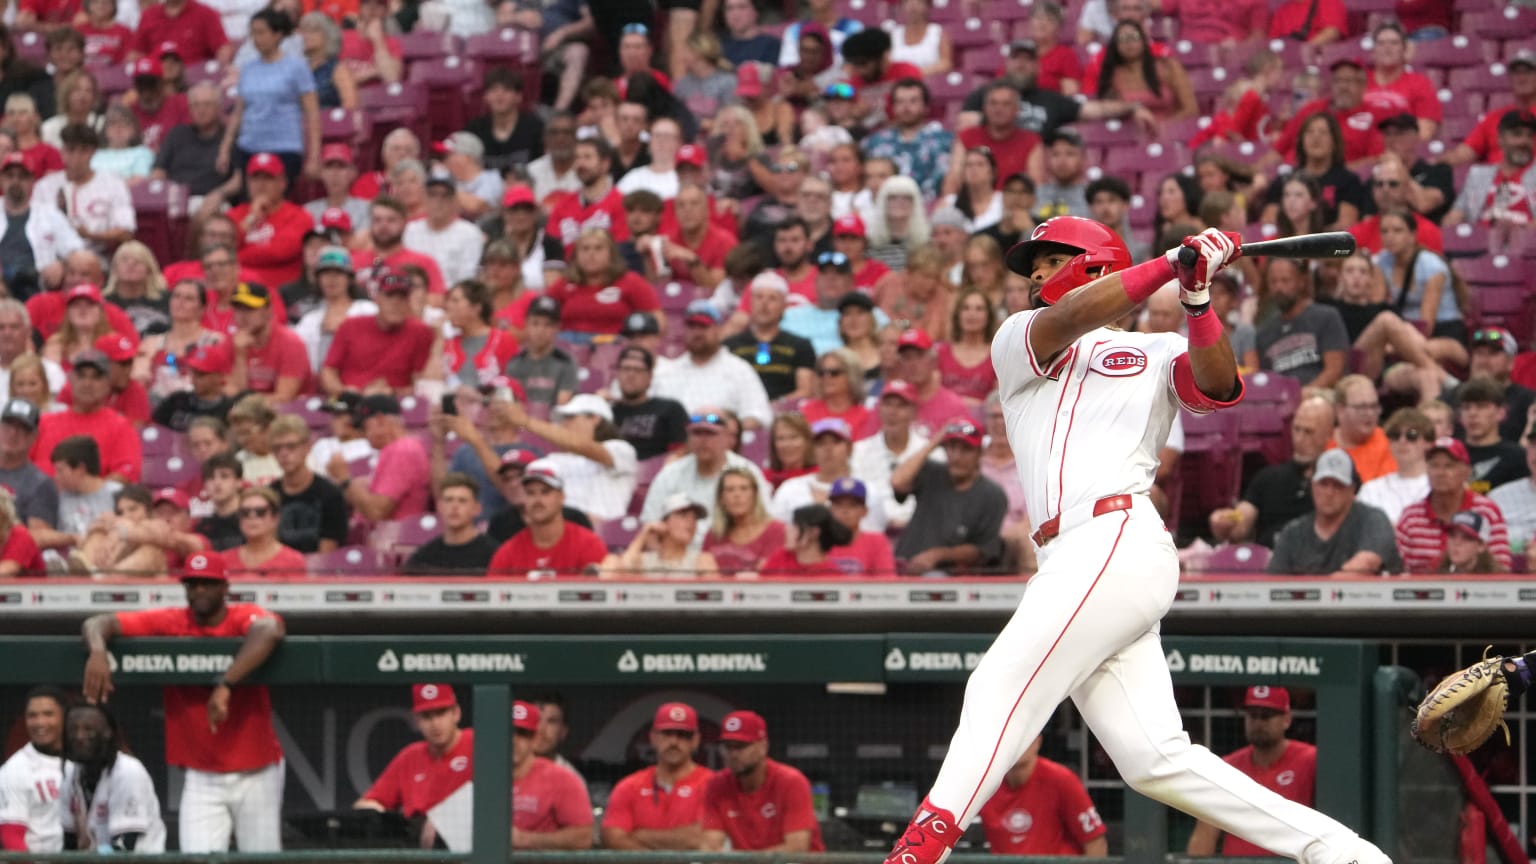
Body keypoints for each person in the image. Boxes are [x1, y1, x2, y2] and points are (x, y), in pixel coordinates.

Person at [882, 217, 1389, 864]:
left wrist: (1197, 301)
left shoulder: (1154, 349)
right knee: (1154, 760)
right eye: (1032, 268)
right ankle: (1344, 853)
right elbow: (1074, 316)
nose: (1036, 277)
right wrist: (1168, 265)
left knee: (998, 683)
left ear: (1094, 263)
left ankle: (920, 849)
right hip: (1068, 557)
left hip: (1115, 535)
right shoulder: (1018, 339)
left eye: (1049, 262)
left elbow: (1215, 385)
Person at [81, 552, 286, 853]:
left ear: (225, 588)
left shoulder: (241, 616)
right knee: (196, 857)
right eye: (193, 584)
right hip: (201, 774)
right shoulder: (171, 620)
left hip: (256, 771)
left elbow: (270, 629)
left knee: (262, 859)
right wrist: (97, 651)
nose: (199, 591)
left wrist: (225, 683)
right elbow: (99, 622)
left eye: (208, 583)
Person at [1186, 686, 1318, 857]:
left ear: (1286, 719)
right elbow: (1205, 833)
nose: (1258, 723)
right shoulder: (1228, 766)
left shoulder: (1310, 759)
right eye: (1252, 715)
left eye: (1266, 716)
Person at [890, 420, 1007, 574]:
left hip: (950, 576)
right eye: (951, 447)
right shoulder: (931, 472)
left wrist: (938, 555)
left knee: (934, 578)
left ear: (980, 452)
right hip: (901, 565)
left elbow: (982, 549)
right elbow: (897, 481)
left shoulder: (992, 495)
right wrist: (934, 442)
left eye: (965, 449)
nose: (956, 457)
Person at [220, 10, 320, 190]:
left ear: (277, 34)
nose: (257, 38)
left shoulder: (297, 67)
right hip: (249, 146)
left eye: (261, 32)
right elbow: (239, 112)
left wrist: (314, 155)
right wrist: (225, 148)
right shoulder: (248, 68)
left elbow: (312, 113)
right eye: (253, 33)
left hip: (284, 147)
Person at [701, 710, 824, 851]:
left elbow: (796, 849)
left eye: (741, 746)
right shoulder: (716, 785)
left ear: (763, 747)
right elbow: (711, 845)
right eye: (728, 747)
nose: (733, 754)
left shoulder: (791, 781)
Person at [1266, 448, 1402, 575]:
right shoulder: (1293, 533)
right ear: (1312, 485)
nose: (1329, 492)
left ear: (1352, 489)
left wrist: (1319, 593)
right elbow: (1273, 584)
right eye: (1323, 484)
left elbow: (1367, 563)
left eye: (1338, 485)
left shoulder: (1373, 519)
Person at [355, 683, 475, 827]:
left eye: (441, 713)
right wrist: (376, 813)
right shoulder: (410, 756)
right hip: (418, 840)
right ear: (417, 721)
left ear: (456, 713)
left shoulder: (477, 743)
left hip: (467, 835)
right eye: (427, 716)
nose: (435, 723)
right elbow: (367, 803)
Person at [641, 411, 771, 538]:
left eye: (710, 433)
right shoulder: (670, 474)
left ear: (727, 437)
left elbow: (765, 521)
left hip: (731, 552)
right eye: (697, 433)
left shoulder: (747, 471)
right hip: (680, 554)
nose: (703, 440)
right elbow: (650, 527)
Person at [602, 701, 711, 850]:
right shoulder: (629, 786)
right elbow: (612, 839)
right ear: (653, 737)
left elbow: (701, 838)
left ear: (695, 740)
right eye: (667, 733)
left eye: (682, 735)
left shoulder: (713, 785)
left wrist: (639, 834)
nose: (673, 741)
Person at [59, 702, 167, 852]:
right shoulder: (71, 773)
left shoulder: (128, 771)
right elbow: (69, 842)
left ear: (107, 732)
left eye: (88, 729)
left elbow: (124, 848)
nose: (79, 736)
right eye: (73, 729)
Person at [977, 734, 1108, 856]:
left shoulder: (1062, 779)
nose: (1019, 744)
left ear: (1038, 741)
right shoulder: (984, 784)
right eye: (1012, 738)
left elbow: (1095, 842)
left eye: (1025, 737)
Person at [1396, 437, 1514, 573]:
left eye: (1449, 466)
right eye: (1434, 465)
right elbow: (1400, 572)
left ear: (1467, 473)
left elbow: (1502, 570)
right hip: (1424, 591)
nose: (1440, 473)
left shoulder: (1487, 511)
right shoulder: (1411, 517)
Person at [653, 301, 773, 429]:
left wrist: (727, 431)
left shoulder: (739, 370)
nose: (697, 333)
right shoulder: (667, 371)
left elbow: (759, 415)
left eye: (703, 327)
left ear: (718, 329)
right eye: (692, 327)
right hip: (676, 442)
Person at [31, 350, 140, 482]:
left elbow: (126, 473)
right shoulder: (44, 422)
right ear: (71, 380)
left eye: (96, 377)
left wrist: (89, 493)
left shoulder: (120, 426)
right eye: (81, 376)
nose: (87, 384)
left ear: (107, 384)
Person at [319, 269, 434, 396]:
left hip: (397, 405)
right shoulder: (351, 326)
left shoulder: (420, 332)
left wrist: (392, 392)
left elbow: (423, 384)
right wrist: (344, 392)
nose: (396, 303)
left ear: (409, 301)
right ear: (377, 298)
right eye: (390, 296)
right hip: (350, 401)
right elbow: (328, 370)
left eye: (402, 297)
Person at [487, 460, 608, 576]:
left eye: (545, 492)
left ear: (561, 497)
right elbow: (493, 593)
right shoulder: (508, 552)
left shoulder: (588, 544)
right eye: (530, 493)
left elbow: (601, 593)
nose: (537, 500)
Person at [324, 394, 430, 524]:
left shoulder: (401, 450)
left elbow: (377, 512)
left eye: (365, 427)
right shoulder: (405, 446)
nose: (363, 434)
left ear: (380, 421)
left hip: (392, 537)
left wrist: (345, 480)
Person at [33, 124, 134, 258]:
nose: (76, 157)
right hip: (55, 257)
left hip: (98, 254)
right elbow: (34, 229)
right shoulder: (44, 186)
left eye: (83, 150)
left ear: (93, 152)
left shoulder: (113, 183)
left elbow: (126, 232)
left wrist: (90, 235)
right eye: (71, 150)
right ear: (62, 151)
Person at [509, 700, 593, 850]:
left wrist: (524, 839)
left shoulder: (562, 778)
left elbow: (583, 837)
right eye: (508, 732)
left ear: (534, 738)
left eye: (522, 734)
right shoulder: (478, 775)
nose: (513, 741)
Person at [0, 151, 84, 298]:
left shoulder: (49, 213)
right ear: (1, 179)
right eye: (10, 176)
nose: (15, 182)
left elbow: (77, 250)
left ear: (32, 180)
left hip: (39, 290)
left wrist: (62, 264)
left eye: (22, 176)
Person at [1255, 259, 1348, 389]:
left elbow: (1334, 371)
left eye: (1285, 280)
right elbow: (1264, 381)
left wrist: (1304, 395)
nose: (1279, 288)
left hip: (1322, 395)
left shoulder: (1326, 317)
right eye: (1273, 282)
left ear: (1301, 282)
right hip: (1282, 401)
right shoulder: (1264, 333)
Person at [724, 272, 816, 402]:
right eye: (759, 297)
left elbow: (805, 390)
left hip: (784, 414)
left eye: (772, 298)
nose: (764, 303)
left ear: (784, 306)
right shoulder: (730, 345)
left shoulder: (800, 346)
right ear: (750, 303)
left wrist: (776, 405)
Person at [266, 415, 347, 555]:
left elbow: (328, 551)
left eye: (291, 446)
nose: (284, 453)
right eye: (277, 448)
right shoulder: (270, 495)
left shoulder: (330, 494)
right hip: (277, 569)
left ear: (307, 448)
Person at [0, 686, 67, 853]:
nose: (40, 722)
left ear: (64, 717)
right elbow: (11, 836)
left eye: (48, 714)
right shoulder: (15, 769)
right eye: (32, 716)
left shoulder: (82, 760)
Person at [862, 79, 952, 200]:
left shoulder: (944, 141)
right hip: (883, 206)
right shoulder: (876, 141)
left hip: (929, 208)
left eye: (913, 101)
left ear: (926, 106)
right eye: (900, 102)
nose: (906, 107)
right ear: (893, 107)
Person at [1445, 109, 1536, 229]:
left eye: (1529, 136)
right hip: (1479, 242)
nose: (1524, 141)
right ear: (1500, 139)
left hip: (1526, 243)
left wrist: (1520, 229)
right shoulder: (1478, 175)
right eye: (1517, 134)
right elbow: (1456, 214)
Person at [1088, 20, 1194, 120]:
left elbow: (1191, 109)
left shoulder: (1168, 66)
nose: (1128, 42)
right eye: (1122, 39)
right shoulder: (1112, 75)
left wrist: (1164, 130)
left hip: (1174, 131)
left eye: (1134, 37)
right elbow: (1108, 113)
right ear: (1116, 46)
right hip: (1130, 136)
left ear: (1143, 40)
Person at [605, 492, 717, 577]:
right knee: (611, 561)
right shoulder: (644, 561)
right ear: (664, 522)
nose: (691, 522)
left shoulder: (701, 561)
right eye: (683, 515)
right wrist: (645, 533)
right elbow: (624, 568)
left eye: (694, 518)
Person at [403, 474, 497, 574]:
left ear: (476, 509)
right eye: (448, 500)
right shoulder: (423, 558)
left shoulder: (493, 554)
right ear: (439, 507)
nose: (454, 506)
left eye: (462, 501)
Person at [1358, 407, 1434, 526]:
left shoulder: (1441, 487)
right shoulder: (1371, 490)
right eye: (1395, 435)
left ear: (1428, 443)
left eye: (1411, 435)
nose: (1402, 441)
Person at [703, 466, 784, 574]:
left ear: (754, 494)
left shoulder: (776, 531)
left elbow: (767, 575)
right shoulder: (714, 534)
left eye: (744, 488)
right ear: (721, 498)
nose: (737, 495)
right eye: (730, 489)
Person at [1457, 376, 1528, 493]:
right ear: (1459, 416)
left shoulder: (1518, 457)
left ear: (1501, 413)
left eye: (1481, 406)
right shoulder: (1449, 453)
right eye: (1466, 407)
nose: (1472, 413)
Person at [504, 296, 578, 409]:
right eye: (535, 323)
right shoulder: (515, 362)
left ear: (557, 328)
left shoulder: (566, 363)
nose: (540, 330)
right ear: (526, 324)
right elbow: (510, 401)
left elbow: (562, 405)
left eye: (548, 325)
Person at [1439, 510, 1507, 574]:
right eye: (1452, 535)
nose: (1457, 543)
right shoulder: (1437, 576)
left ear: (1481, 545)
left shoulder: (1499, 581)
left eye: (1466, 537)